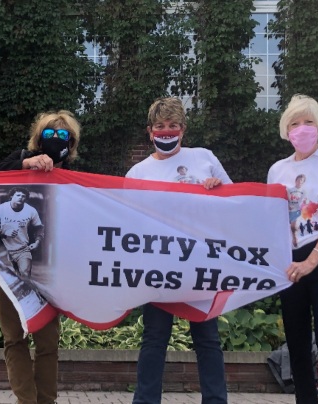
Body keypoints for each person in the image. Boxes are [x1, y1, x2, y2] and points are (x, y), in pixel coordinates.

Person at [126, 97, 230, 404]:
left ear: (183, 129)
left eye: (172, 125)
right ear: (150, 131)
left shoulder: (205, 158)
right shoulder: (138, 173)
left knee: (207, 338)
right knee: (154, 339)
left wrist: (217, 189)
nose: (166, 131)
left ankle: (215, 401)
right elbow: (127, 223)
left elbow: (235, 204)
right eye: (160, 126)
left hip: (199, 264)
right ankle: (145, 401)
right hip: (159, 267)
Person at [0, 110, 81, 404]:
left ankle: (46, 401)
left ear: (72, 142)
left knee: (48, 339)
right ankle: (26, 401)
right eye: (48, 134)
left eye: (62, 135)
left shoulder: (76, 178)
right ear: (38, 139)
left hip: (49, 266)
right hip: (3, 264)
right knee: (14, 337)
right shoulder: (18, 164)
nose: (54, 140)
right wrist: (25, 162)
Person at [267, 94, 318, 404]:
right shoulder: (277, 170)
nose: (302, 128)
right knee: (296, 342)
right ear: (285, 129)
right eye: (295, 123)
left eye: (309, 122)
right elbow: (271, 217)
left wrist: (314, 260)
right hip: (291, 260)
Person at [0, 187, 44, 279]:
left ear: (25, 199)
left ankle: (28, 292)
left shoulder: (31, 210)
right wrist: (4, 232)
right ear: (11, 197)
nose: (20, 197)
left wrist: (37, 242)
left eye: (23, 196)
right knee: (15, 277)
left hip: (23, 249)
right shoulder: (1, 209)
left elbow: (39, 228)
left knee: (25, 274)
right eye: (18, 195)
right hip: (5, 250)